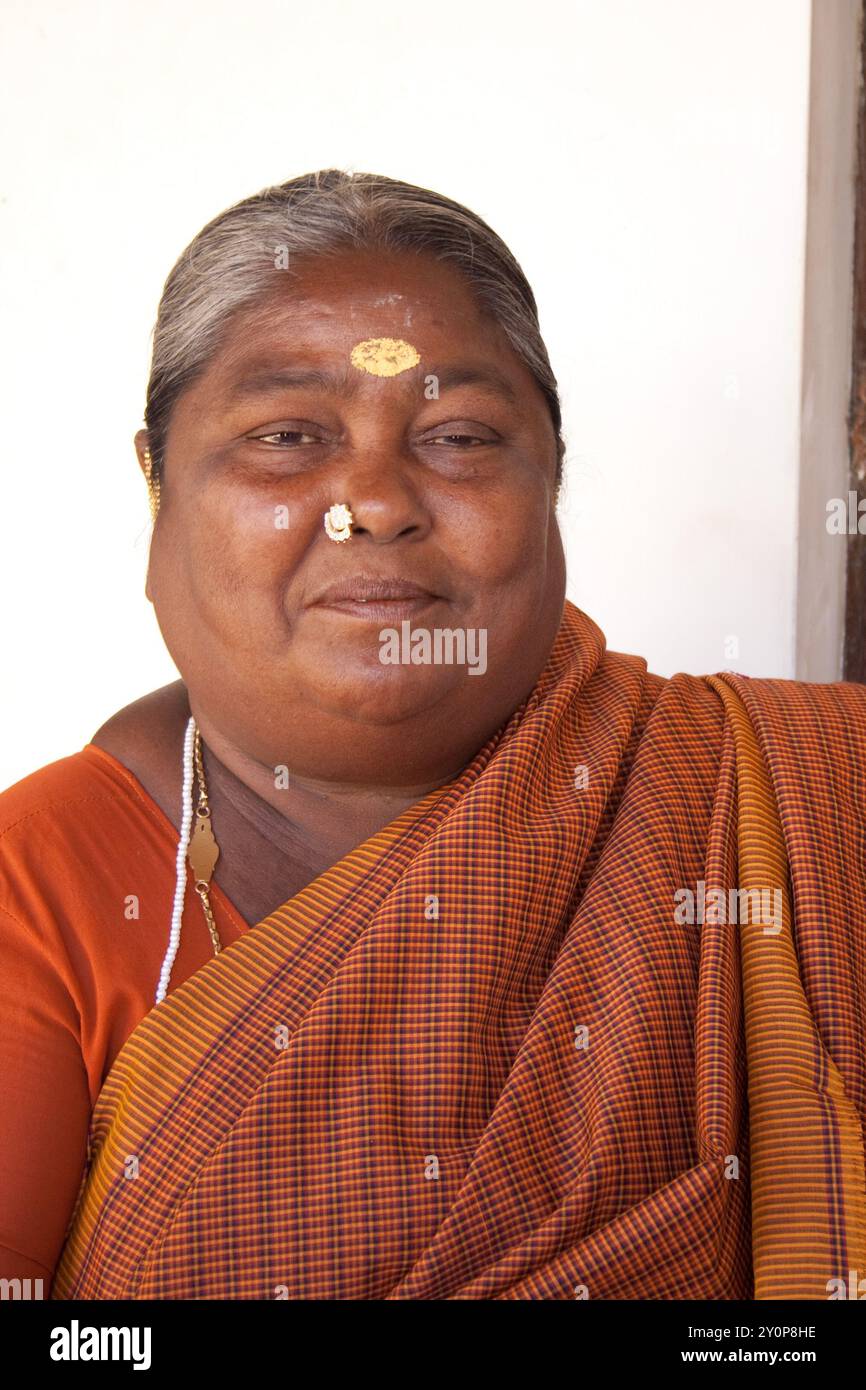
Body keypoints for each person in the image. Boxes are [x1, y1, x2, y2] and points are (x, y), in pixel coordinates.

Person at [1, 169, 864, 1301]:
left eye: (457, 436)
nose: (373, 499)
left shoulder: (797, 794)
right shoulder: (42, 881)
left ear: (550, 475)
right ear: (157, 484)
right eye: (288, 435)